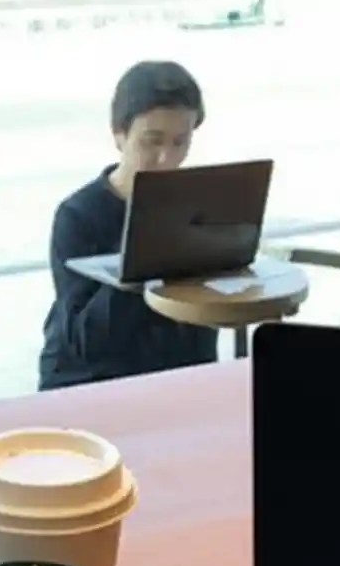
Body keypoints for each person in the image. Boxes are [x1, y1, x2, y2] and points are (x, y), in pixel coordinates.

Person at [38, 60, 219, 390]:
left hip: (170, 377)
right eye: (152, 141)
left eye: (181, 142)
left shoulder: (196, 206)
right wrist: (143, 253)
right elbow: (85, 342)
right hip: (90, 379)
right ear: (119, 136)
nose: (167, 159)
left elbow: (202, 325)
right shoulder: (78, 215)